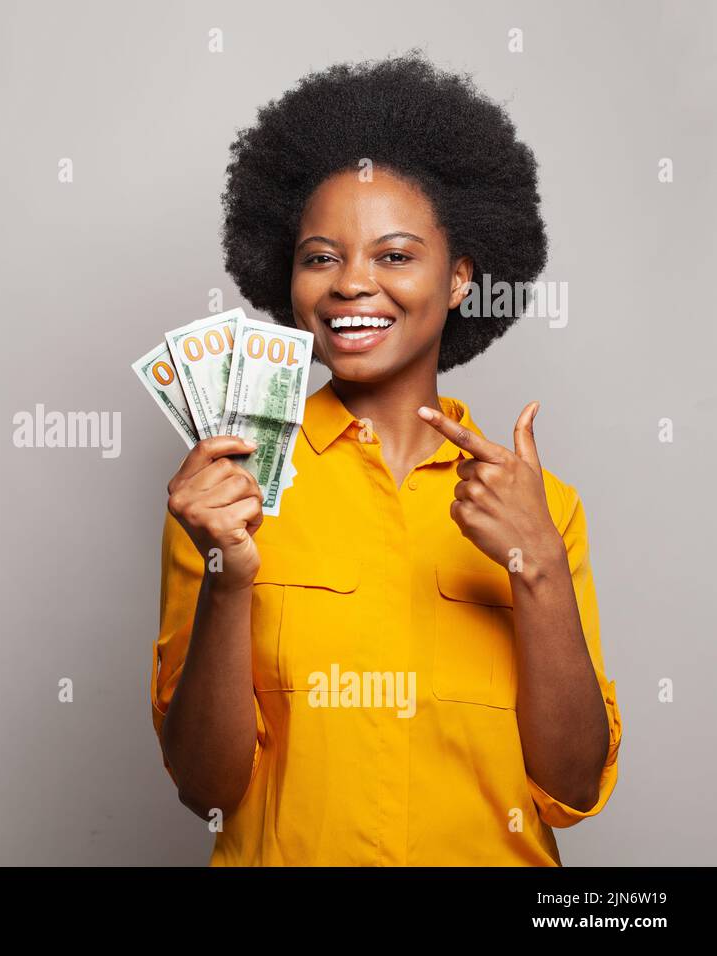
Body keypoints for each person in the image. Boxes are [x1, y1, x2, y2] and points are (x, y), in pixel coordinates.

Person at [150, 51, 622, 865]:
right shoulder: (227, 490)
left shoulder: (546, 510)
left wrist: (537, 563)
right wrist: (229, 574)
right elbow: (206, 786)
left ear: (461, 279)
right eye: (320, 256)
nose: (351, 285)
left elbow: (575, 786)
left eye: (395, 256)